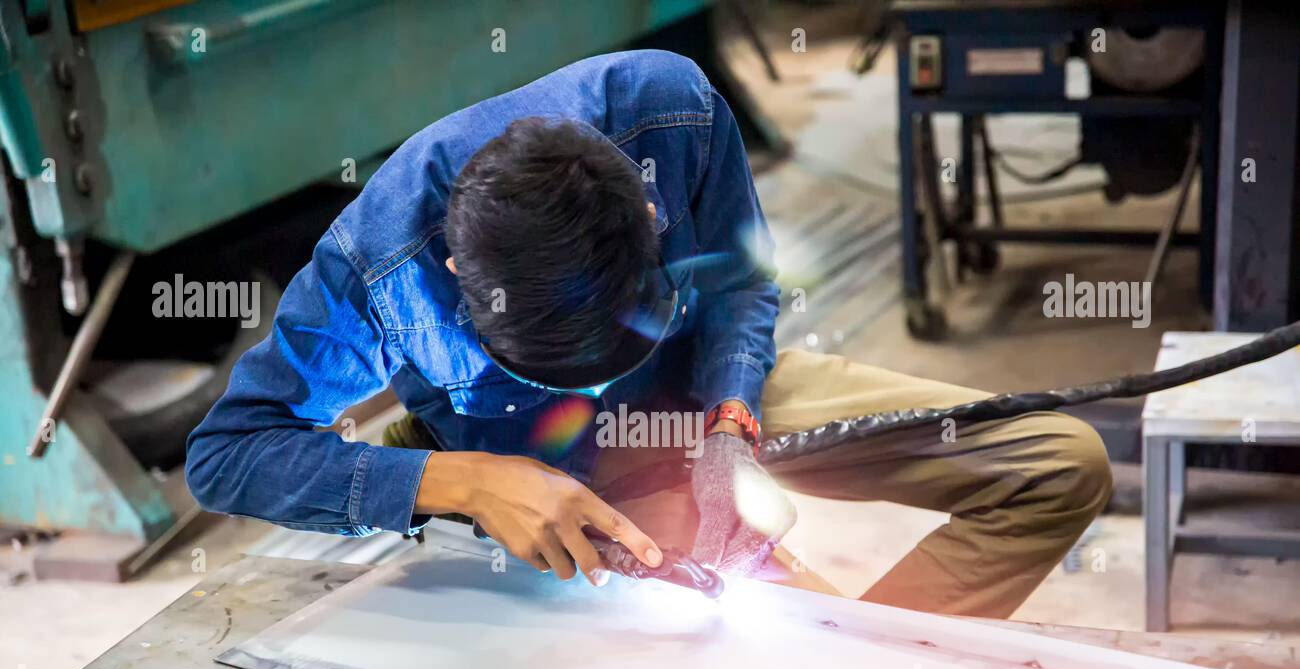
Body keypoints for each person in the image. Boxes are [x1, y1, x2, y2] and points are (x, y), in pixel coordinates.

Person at [187, 51, 1111, 617]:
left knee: (1060, 464)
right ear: (463, 279)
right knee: (707, 653)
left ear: (646, 215)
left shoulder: (672, 116)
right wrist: (464, 481)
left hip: (696, 393)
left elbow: (744, 285)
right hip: (544, 465)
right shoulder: (376, 269)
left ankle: (856, 668)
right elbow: (228, 454)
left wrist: (730, 423)